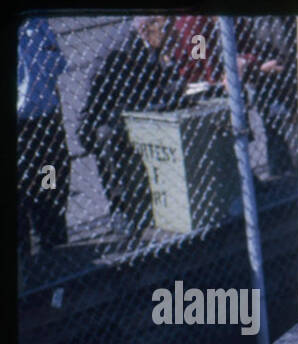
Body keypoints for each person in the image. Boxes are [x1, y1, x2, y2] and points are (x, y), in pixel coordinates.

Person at [78, 16, 188, 237]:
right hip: (109, 116)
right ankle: (120, 208)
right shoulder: (121, 48)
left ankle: (165, 200)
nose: (172, 34)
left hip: (135, 107)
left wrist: (173, 81)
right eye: (166, 28)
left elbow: (153, 82)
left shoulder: (152, 44)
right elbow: (98, 96)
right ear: (147, 28)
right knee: (107, 137)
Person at [18, 16, 71, 256]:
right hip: (18, 126)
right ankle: (23, 256)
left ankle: (51, 242)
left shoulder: (37, 23)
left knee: (49, 180)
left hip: (45, 121)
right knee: (19, 194)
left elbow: (56, 65)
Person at [235, 16, 298, 178]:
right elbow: (238, 55)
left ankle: (295, 167)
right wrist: (259, 68)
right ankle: (280, 173)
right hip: (264, 78)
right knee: (272, 127)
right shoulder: (244, 22)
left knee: (295, 120)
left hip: (288, 70)